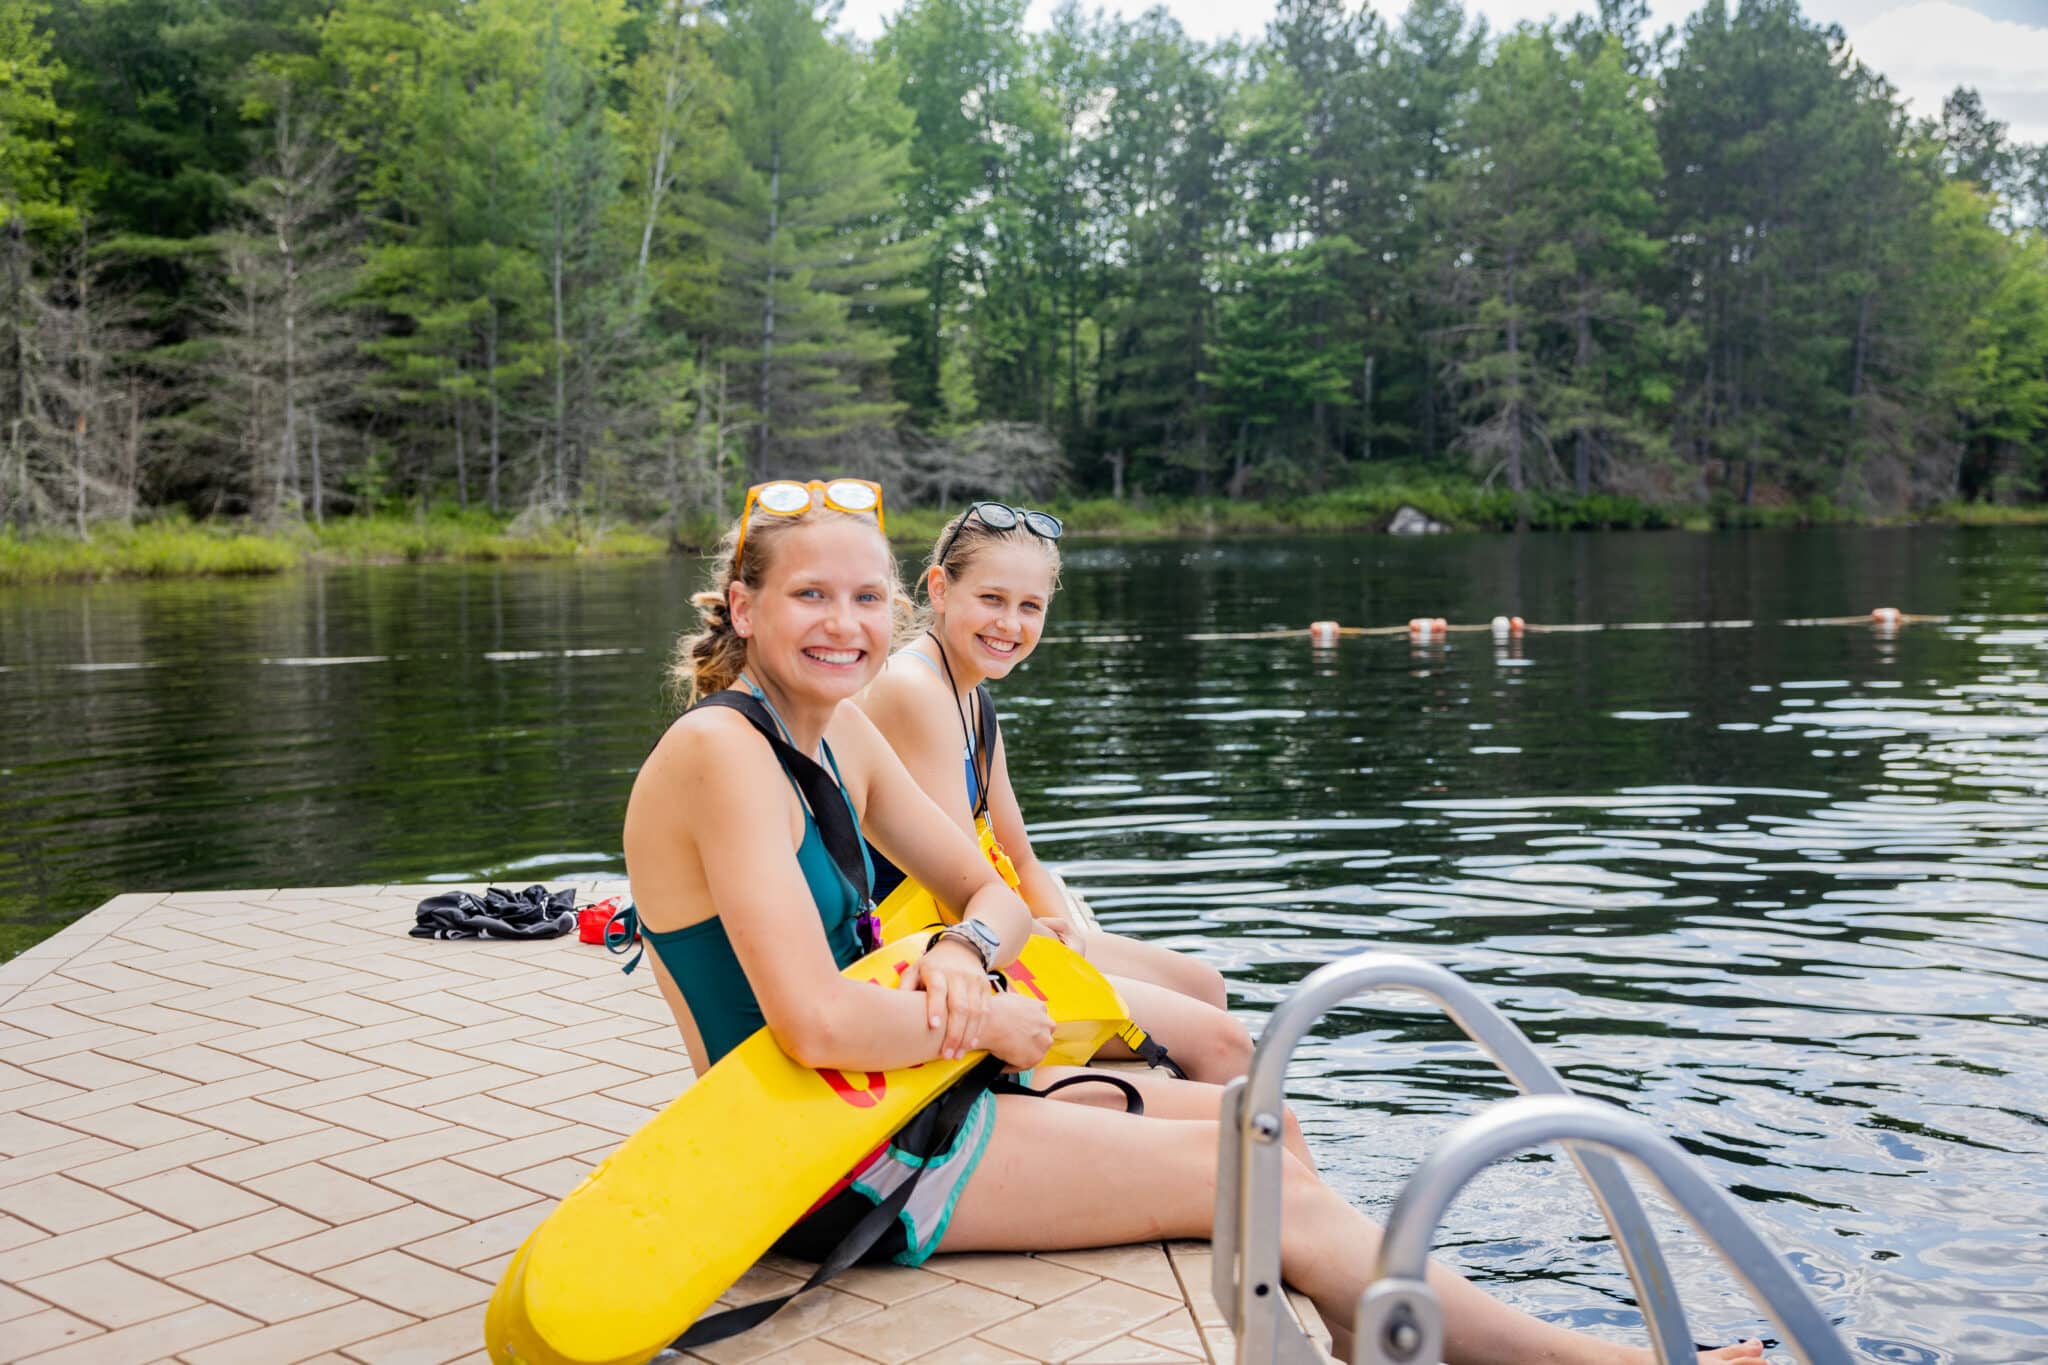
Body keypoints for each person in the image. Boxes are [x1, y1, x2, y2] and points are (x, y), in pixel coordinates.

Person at [621, 479, 1766, 1365]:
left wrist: (971, 957)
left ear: (893, 603)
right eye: (809, 596)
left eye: (864, 596)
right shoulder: (723, 752)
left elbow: (996, 890)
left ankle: (1373, 1324)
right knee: (1252, 1184)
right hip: (831, 1168)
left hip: (910, 1100)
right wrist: (985, 1027)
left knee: (1250, 1117)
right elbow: (815, 1025)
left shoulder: (836, 735)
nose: (845, 624)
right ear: (743, 606)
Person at [854, 502, 1255, 1085]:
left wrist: (1055, 926)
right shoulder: (913, 689)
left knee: (1204, 985)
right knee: (1224, 1044)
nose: (1009, 625)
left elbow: (1019, 857)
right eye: (991, 599)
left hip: (985, 926)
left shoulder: (973, 700)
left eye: (1029, 607)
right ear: (939, 589)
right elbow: (962, 887)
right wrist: (1048, 946)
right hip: (931, 953)